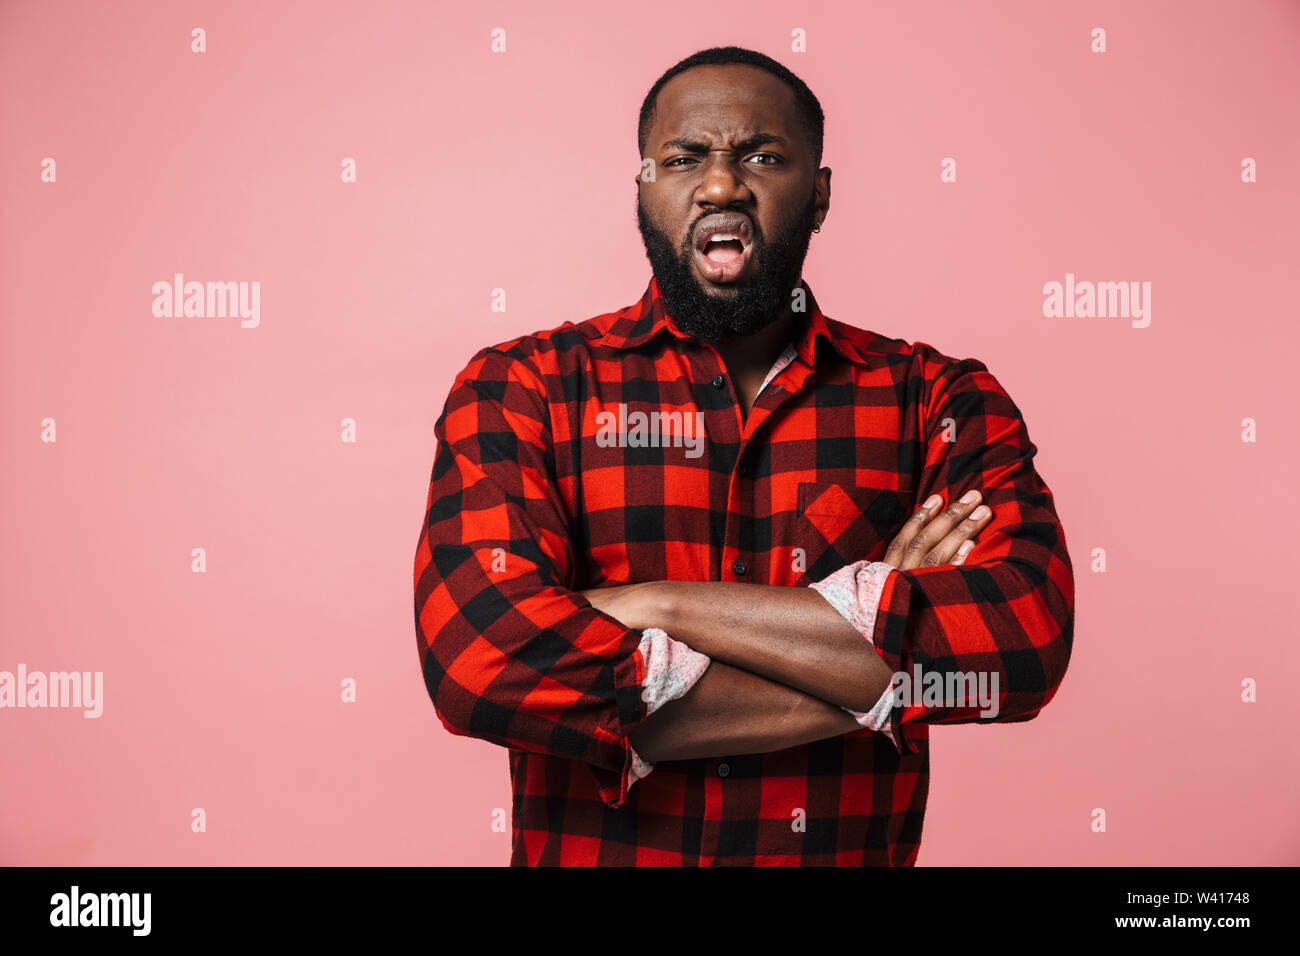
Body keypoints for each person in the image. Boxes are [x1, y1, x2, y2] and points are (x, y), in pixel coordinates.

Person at [413, 45, 1074, 866]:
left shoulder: (938, 399)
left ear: (821, 195)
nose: (721, 185)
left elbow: (1021, 641)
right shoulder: (524, 387)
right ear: (644, 189)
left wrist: (655, 607)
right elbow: (481, 660)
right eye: (685, 158)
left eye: (762, 156)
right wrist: (872, 660)